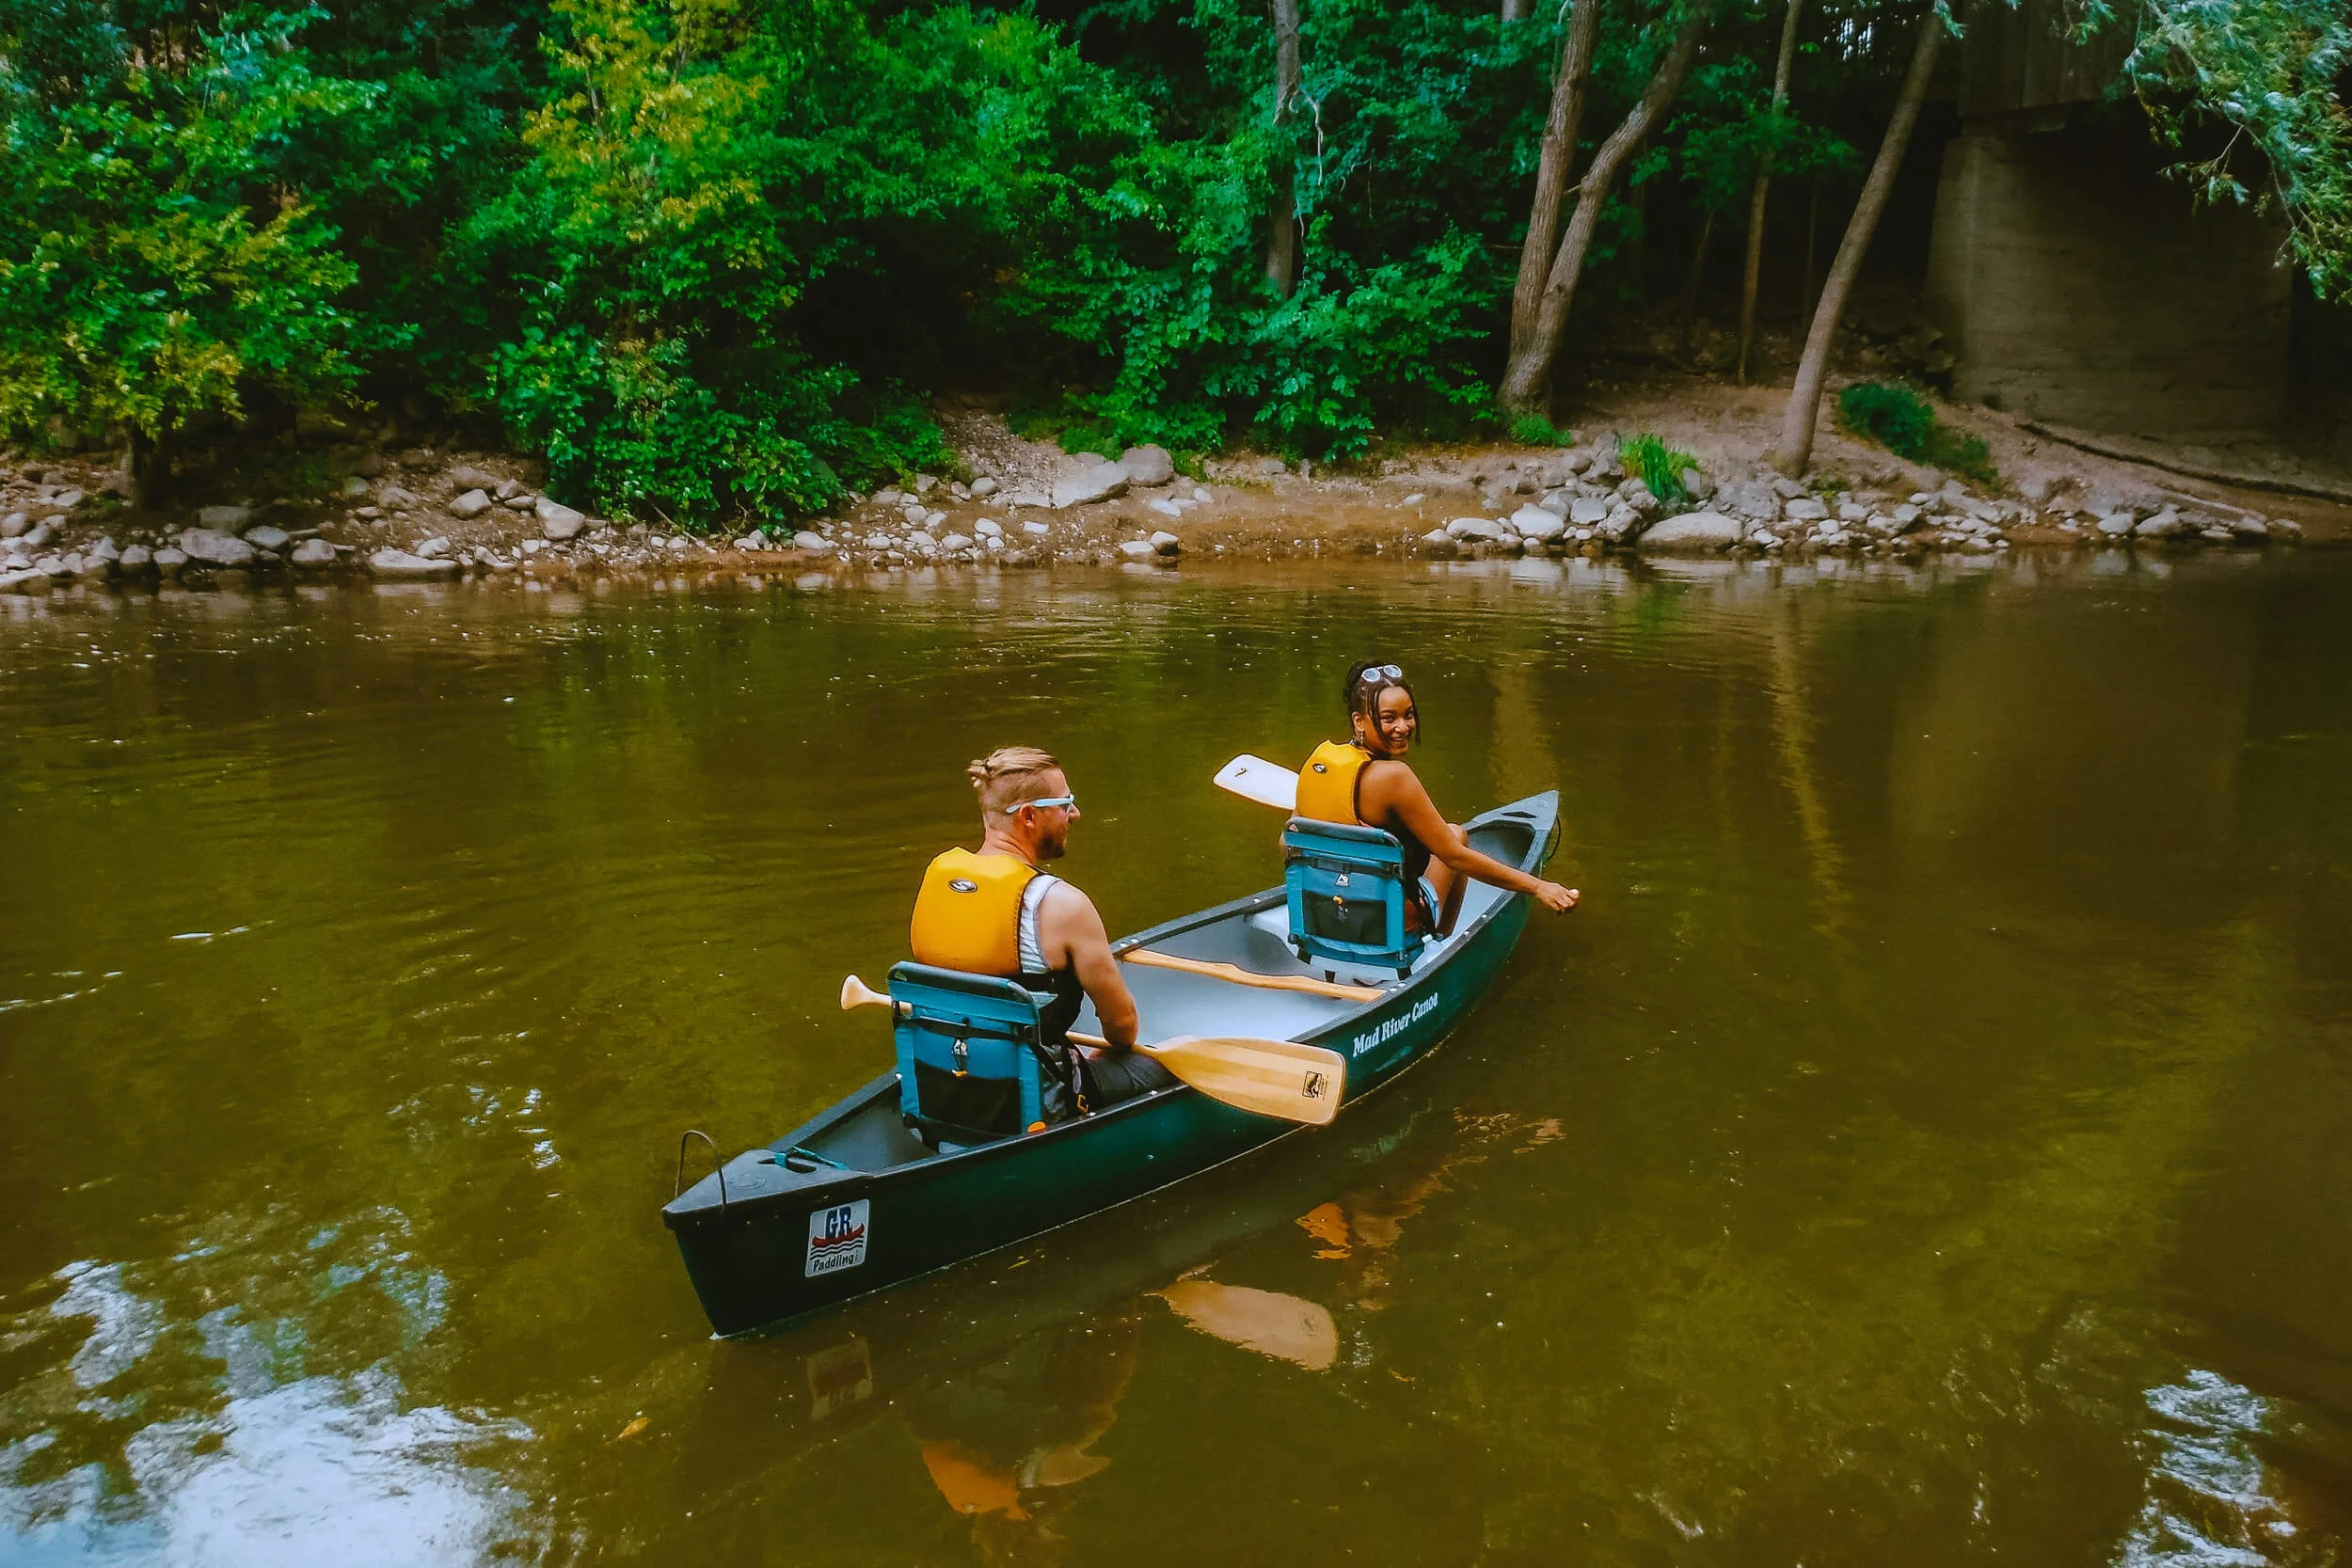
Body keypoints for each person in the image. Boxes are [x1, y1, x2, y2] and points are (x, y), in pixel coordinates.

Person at [910, 746, 1174, 1117]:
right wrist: (1105, 1048)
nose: (1075, 814)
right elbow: (1122, 1027)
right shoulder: (1063, 905)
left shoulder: (937, 882)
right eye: (1065, 804)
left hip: (943, 1080)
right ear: (1030, 816)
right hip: (1031, 1102)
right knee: (1165, 1065)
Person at [1296, 660, 1579, 935]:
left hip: (1323, 914)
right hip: (1384, 924)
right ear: (1359, 721)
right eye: (1388, 718)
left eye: (1408, 714)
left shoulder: (1318, 765)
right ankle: (1440, 939)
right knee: (1455, 835)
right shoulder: (1395, 777)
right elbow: (1454, 858)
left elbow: (1287, 842)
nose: (1404, 726)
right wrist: (1538, 886)